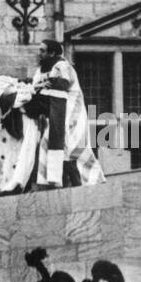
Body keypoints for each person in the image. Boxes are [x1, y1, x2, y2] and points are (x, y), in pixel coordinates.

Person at [23, 38, 105, 189]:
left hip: (71, 112)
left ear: (52, 52)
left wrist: (39, 87)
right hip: (55, 114)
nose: (39, 53)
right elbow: (35, 87)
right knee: (55, 147)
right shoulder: (41, 70)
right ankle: (61, 183)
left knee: (73, 147)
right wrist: (38, 86)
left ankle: (89, 183)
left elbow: (61, 84)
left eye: (42, 50)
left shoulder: (62, 66)